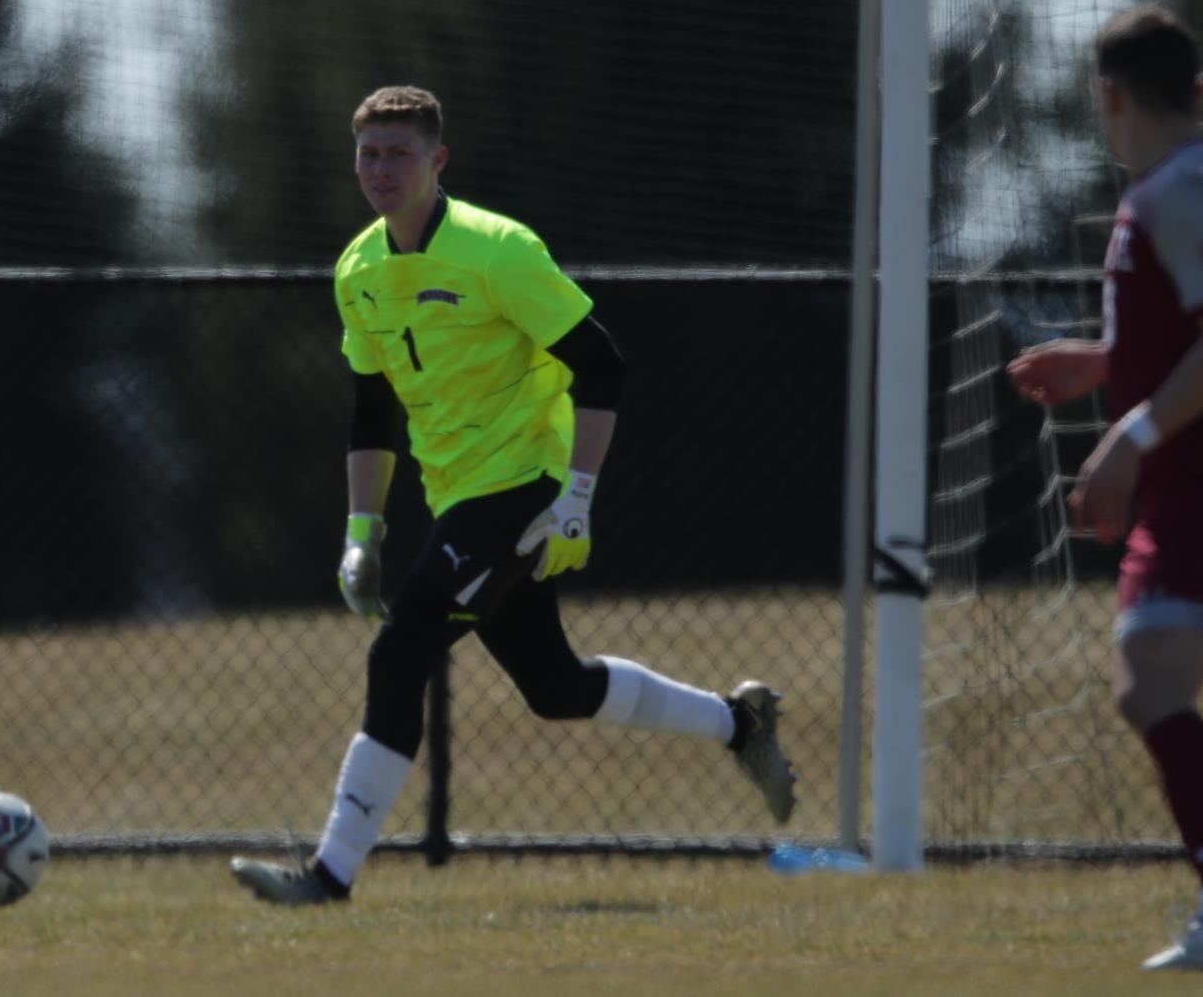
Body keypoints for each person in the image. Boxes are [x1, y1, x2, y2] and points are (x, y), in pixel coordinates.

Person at [229, 86, 798, 906]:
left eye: (398, 153)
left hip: (525, 486)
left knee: (398, 654)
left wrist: (576, 497)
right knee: (556, 689)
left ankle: (327, 878)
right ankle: (740, 724)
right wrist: (361, 533)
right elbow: (371, 407)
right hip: (457, 496)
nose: (380, 170)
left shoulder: (497, 250)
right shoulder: (357, 270)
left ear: (437, 160)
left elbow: (604, 365)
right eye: (368, 153)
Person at [1006, 7, 1203, 971]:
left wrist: (1129, 437)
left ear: (1107, 97)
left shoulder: (1182, 192)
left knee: (1148, 683)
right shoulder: (1190, 186)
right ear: (1194, 89)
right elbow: (1199, 334)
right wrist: (1106, 363)